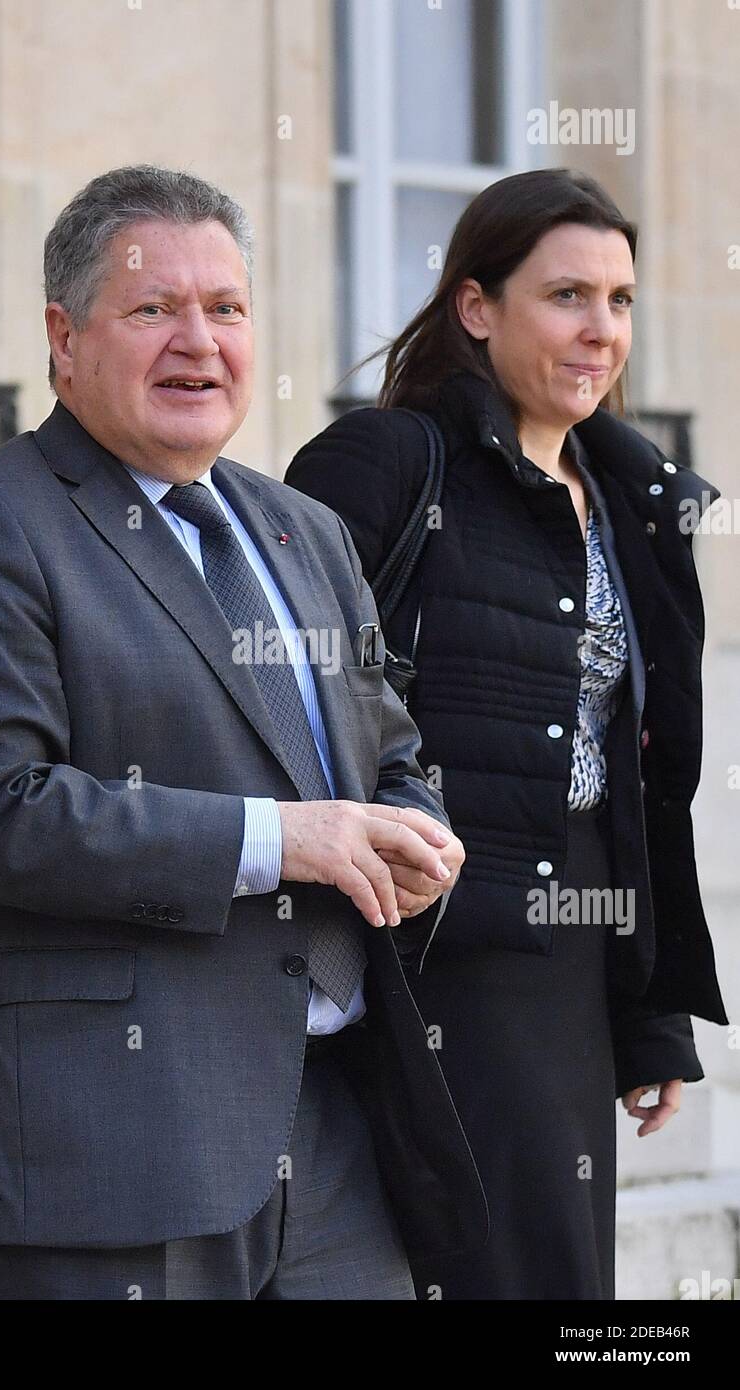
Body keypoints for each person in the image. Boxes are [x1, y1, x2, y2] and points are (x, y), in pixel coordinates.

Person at [0, 164, 485, 1301]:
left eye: (227, 309)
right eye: (154, 308)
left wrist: (415, 828)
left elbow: (386, 752)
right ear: (63, 338)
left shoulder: (304, 531)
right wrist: (282, 839)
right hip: (103, 1140)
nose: (196, 340)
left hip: (340, 1127)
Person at [285, 168, 727, 1300]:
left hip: (571, 945)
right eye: (565, 295)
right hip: (433, 940)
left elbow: (643, 779)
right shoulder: (383, 463)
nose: (599, 330)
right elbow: (278, 695)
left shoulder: (629, 499)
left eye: (619, 300)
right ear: (475, 307)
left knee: (561, 1271)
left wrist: (649, 1011)